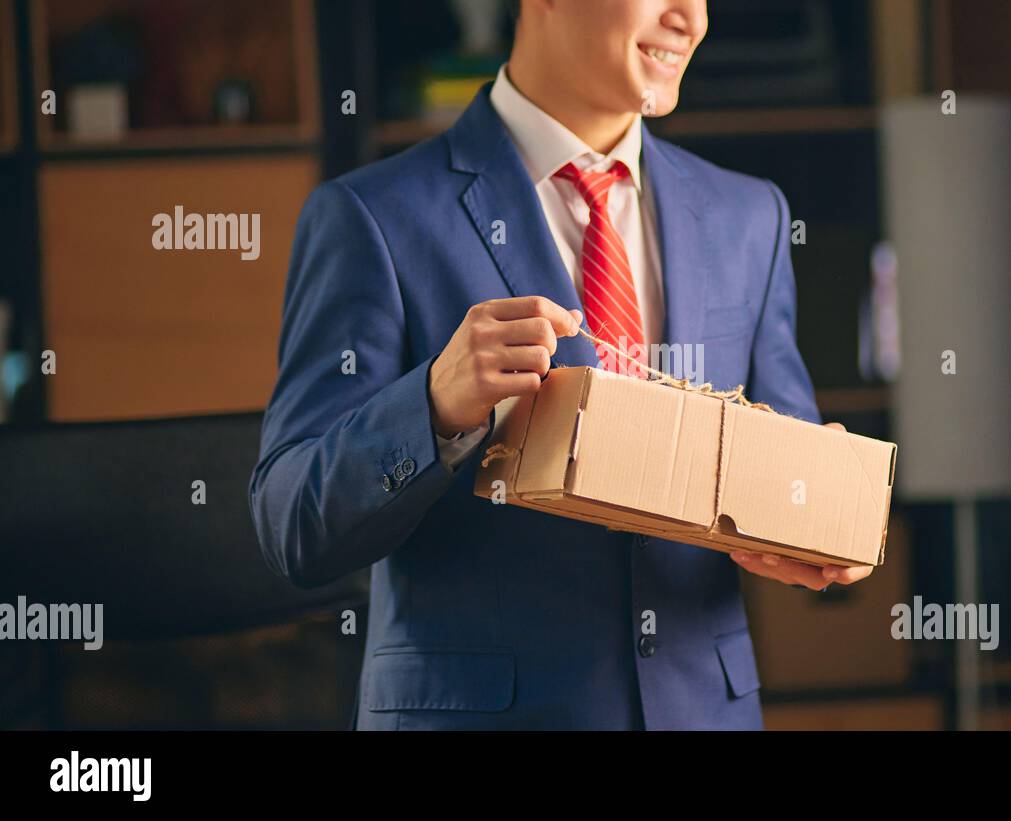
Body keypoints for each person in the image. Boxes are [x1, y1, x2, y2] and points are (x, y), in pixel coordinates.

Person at [249, 0, 873, 730]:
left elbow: (790, 473)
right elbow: (291, 524)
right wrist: (432, 408)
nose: (691, 19)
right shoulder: (371, 217)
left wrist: (821, 523)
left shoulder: (749, 217)